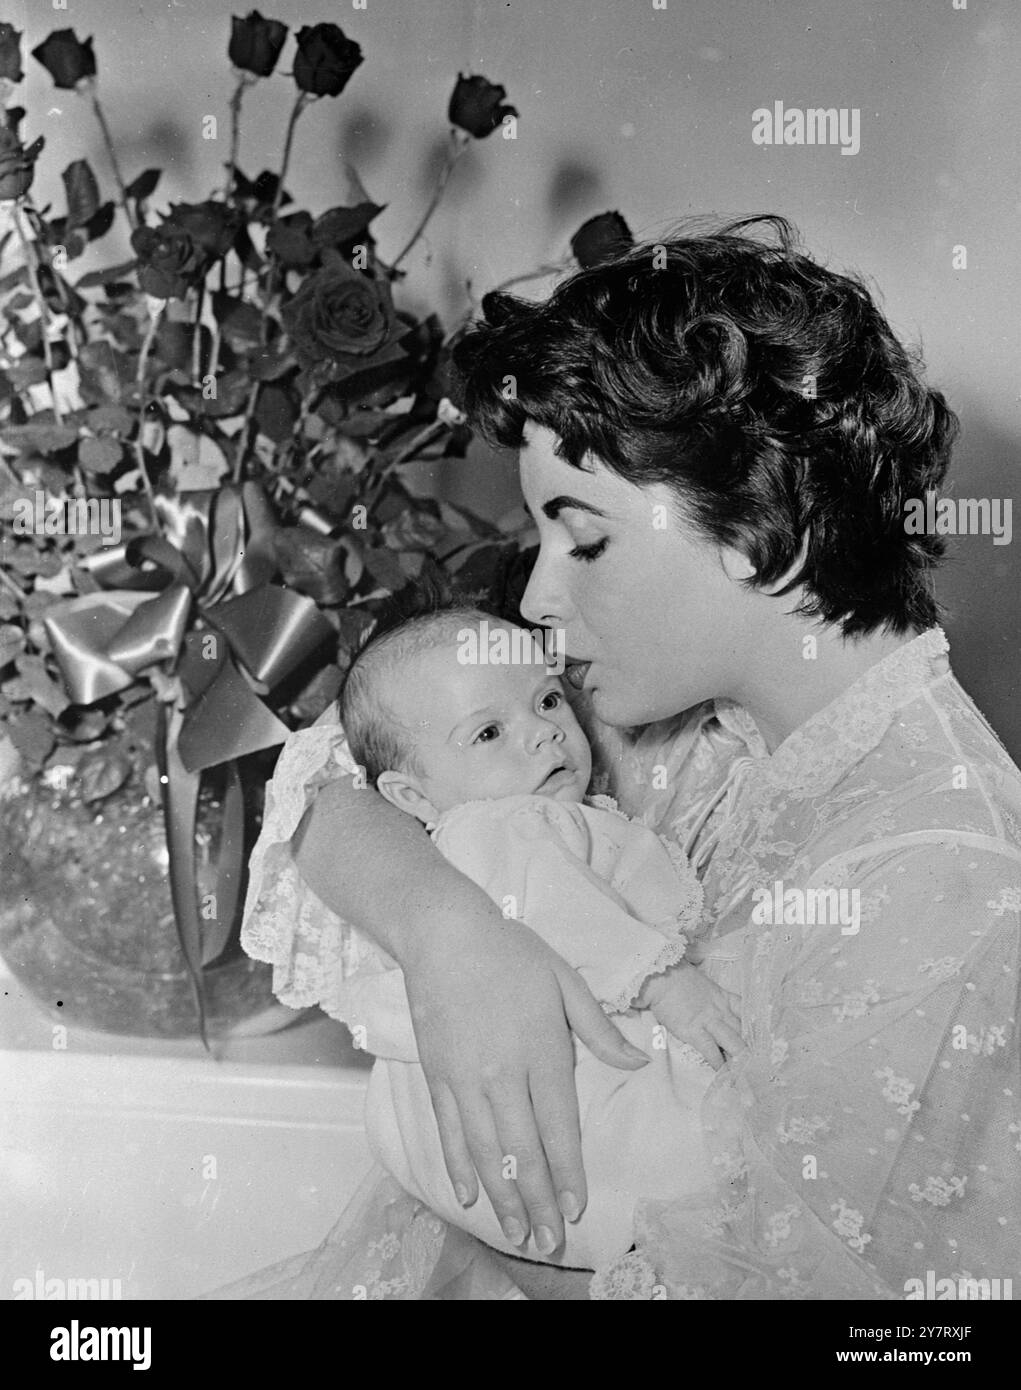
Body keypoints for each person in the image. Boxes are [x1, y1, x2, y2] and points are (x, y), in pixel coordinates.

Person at [206, 214, 1020, 1300]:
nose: (541, 596)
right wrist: (451, 934)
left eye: (584, 538)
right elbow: (336, 777)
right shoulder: (659, 705)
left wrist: (498, 1254)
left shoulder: (943, 876)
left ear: (754, 524)